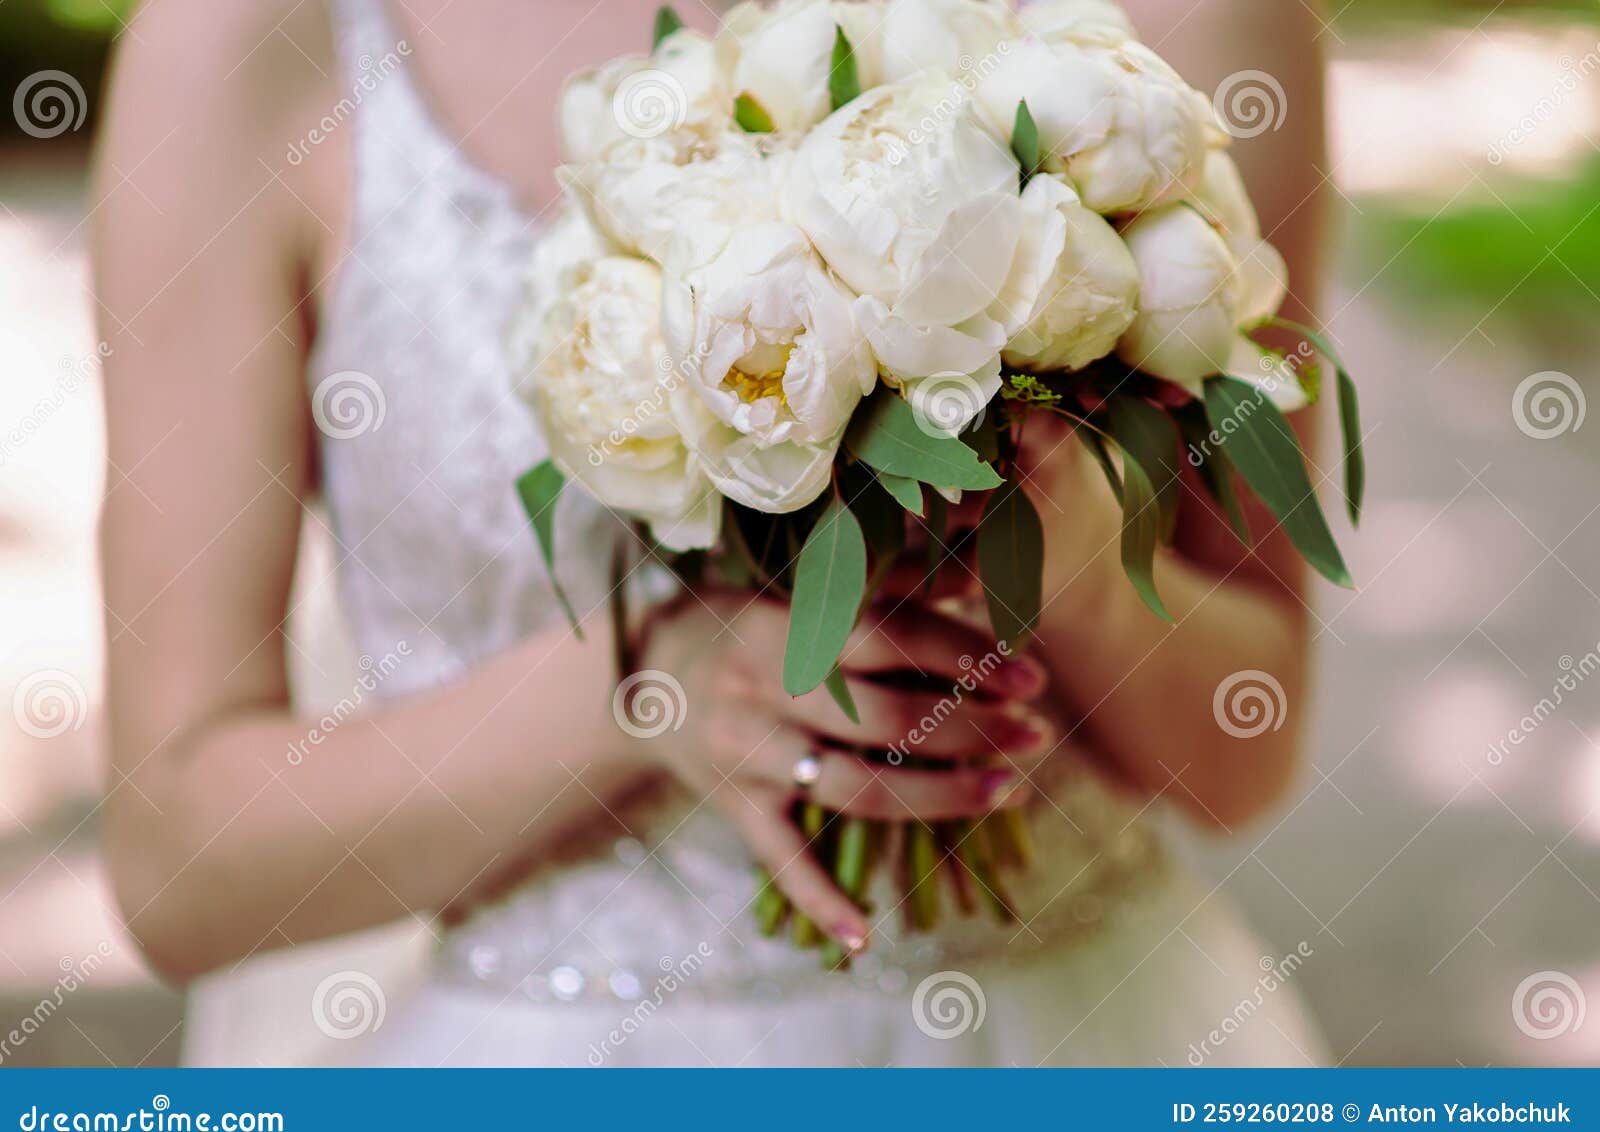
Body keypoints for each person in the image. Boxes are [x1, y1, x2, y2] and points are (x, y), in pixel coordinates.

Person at [94, 0, 1331, 1065]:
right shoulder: (255, 46)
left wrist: (1075, 560)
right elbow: (180, 869)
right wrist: (648, 689)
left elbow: (1243, 753)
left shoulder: (1174, 38)